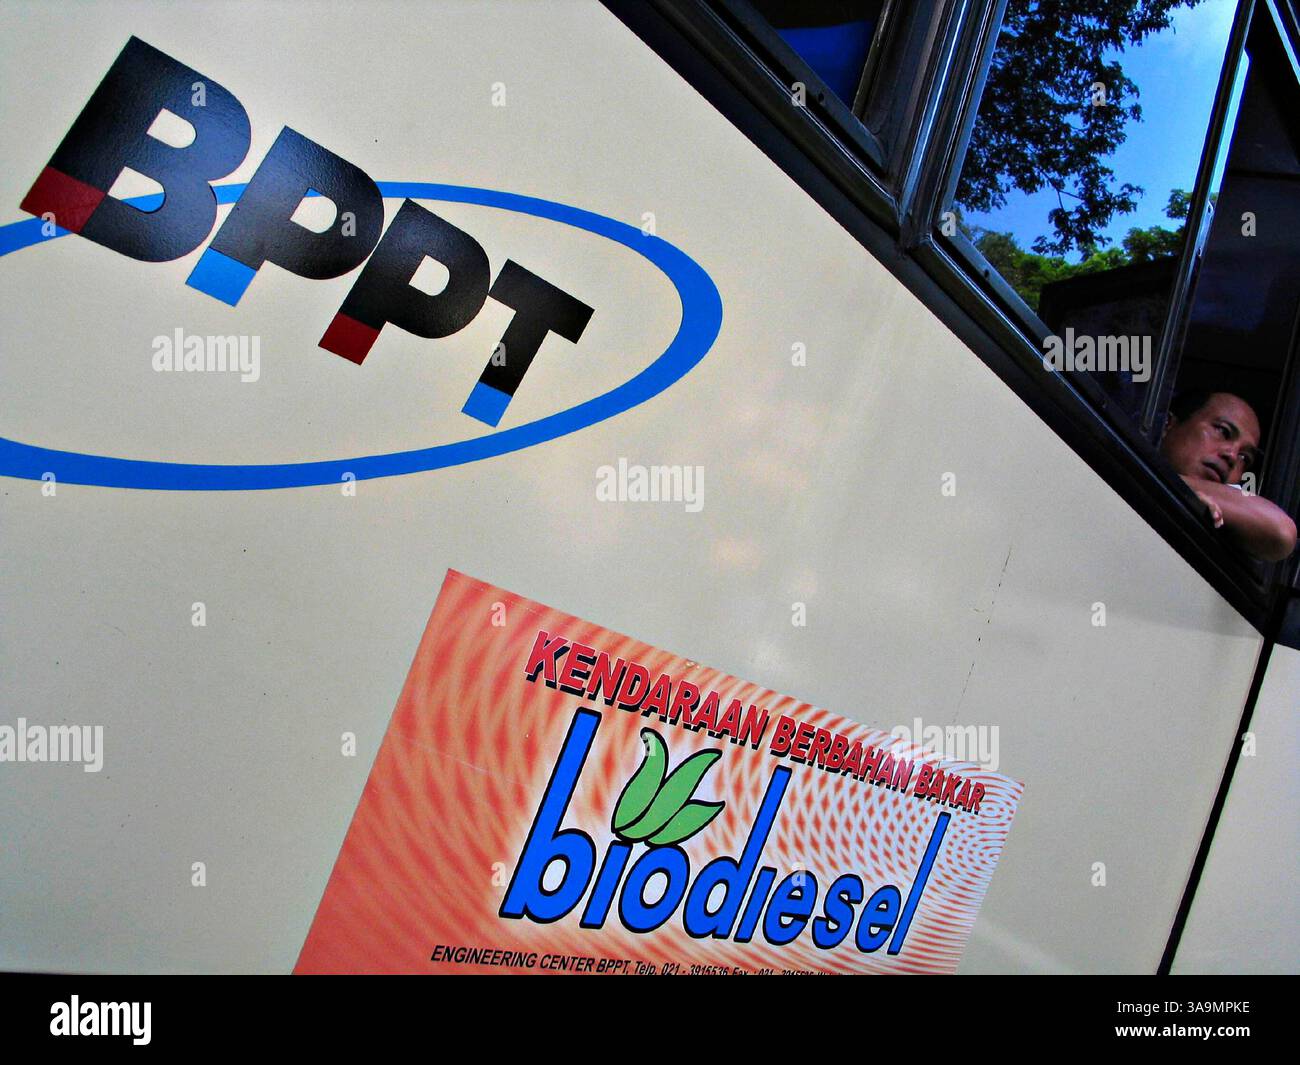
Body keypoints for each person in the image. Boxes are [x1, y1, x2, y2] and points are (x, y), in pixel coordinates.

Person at [1159, 390, 1296, 562]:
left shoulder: (1220, 516)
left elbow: (1281, 531)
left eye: (1244, 457)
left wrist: (1182, 487)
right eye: (1223, 432)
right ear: (1167, 424)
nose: (1232, 456)